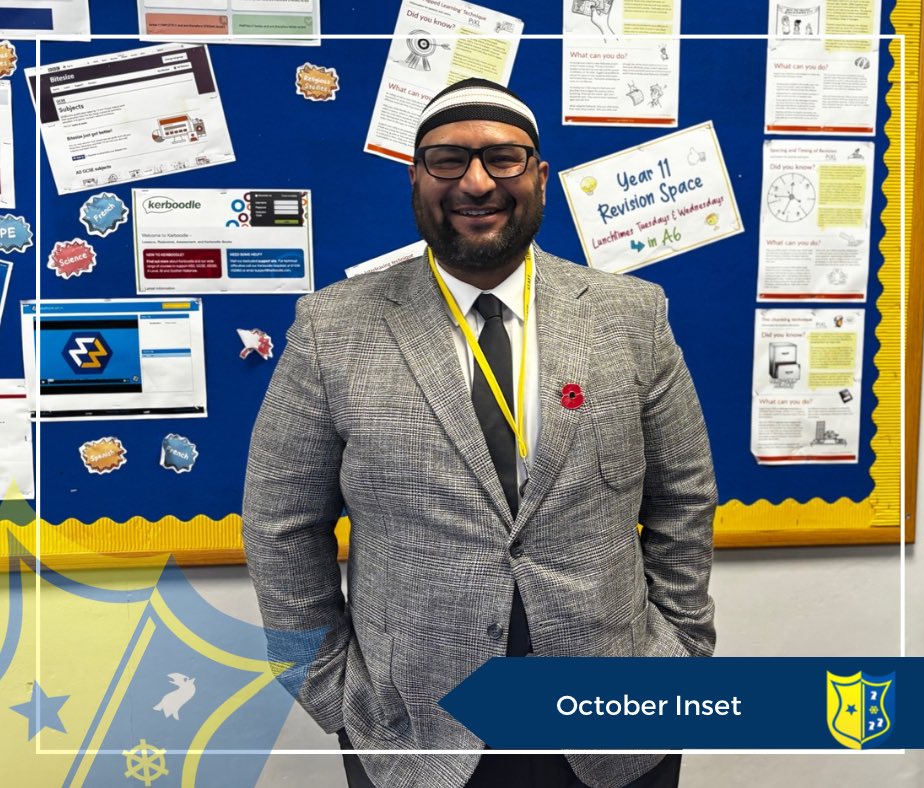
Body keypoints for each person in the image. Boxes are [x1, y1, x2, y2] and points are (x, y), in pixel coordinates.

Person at [242, 78, 717, 788]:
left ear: (540, 177)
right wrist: (329, 688)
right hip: (413, 726)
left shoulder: (631, 315)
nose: (475, 182)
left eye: (502, 158)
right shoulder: (332, 328)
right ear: (414, 178)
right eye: (447, 159)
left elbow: (684, 497)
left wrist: (680, 650)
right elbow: (279, 522)